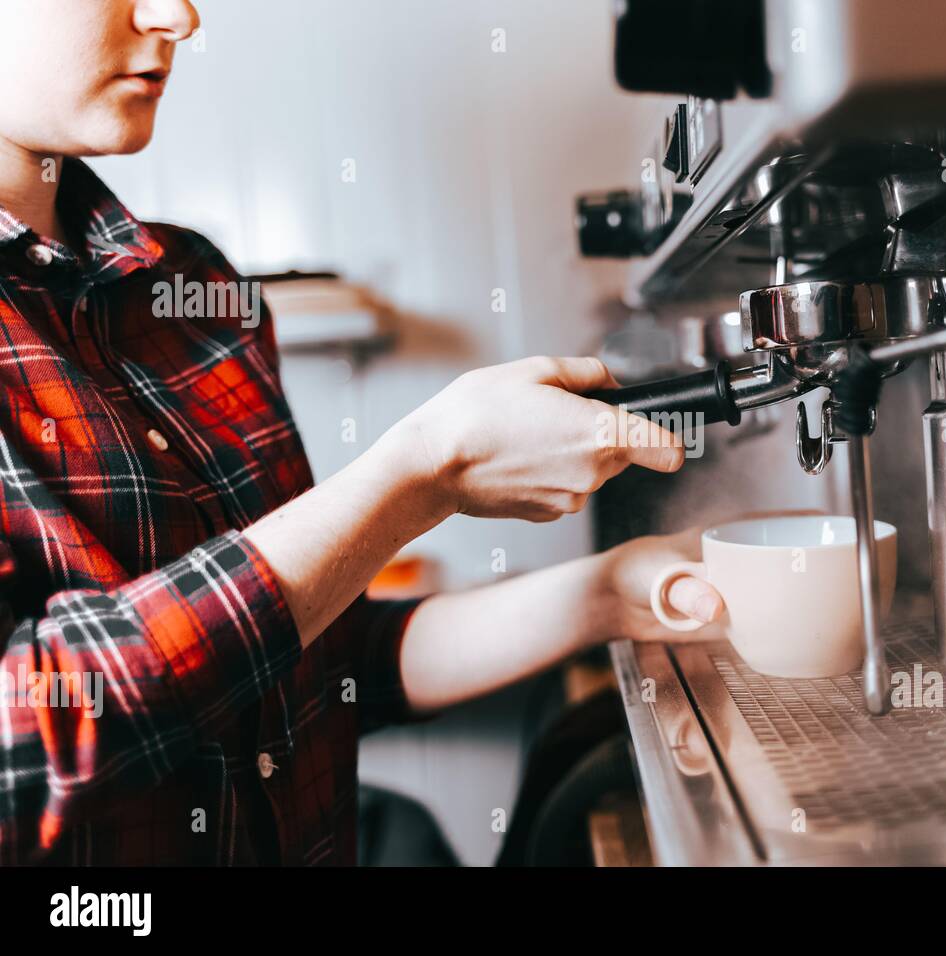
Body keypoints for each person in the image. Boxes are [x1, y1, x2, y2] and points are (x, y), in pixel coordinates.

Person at [0, 0, 725, 864]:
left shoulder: (194, 289)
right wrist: (419, 474)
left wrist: (612, 593)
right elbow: (29, 747)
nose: (179, 17)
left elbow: (314, 661)